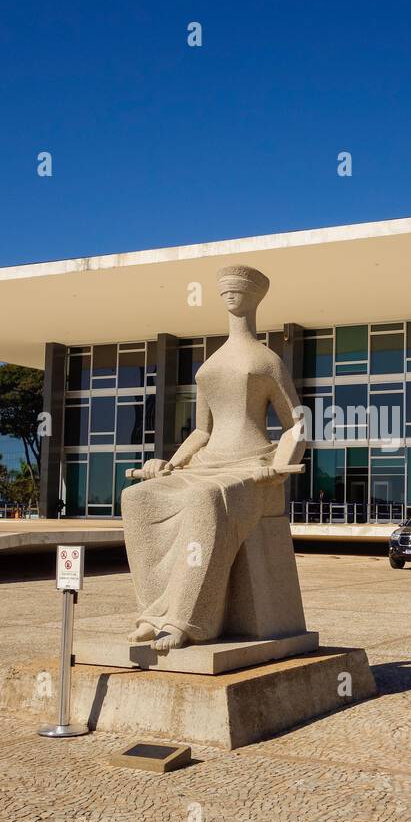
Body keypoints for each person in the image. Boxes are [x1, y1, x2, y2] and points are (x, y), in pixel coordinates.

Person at [121, 266, 306, 653]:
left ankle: (185, 620)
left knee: (206, 500)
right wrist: (169, 463)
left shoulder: (267, 360)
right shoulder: (209, 365)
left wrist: (280, 464)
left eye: (239, 291)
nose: (231, 296)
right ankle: (153, 614)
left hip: (251, 467)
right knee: (137, 499)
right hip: (206, 464)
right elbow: (201, 431)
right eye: (226, 291)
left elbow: (297, 423)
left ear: (255, 298)